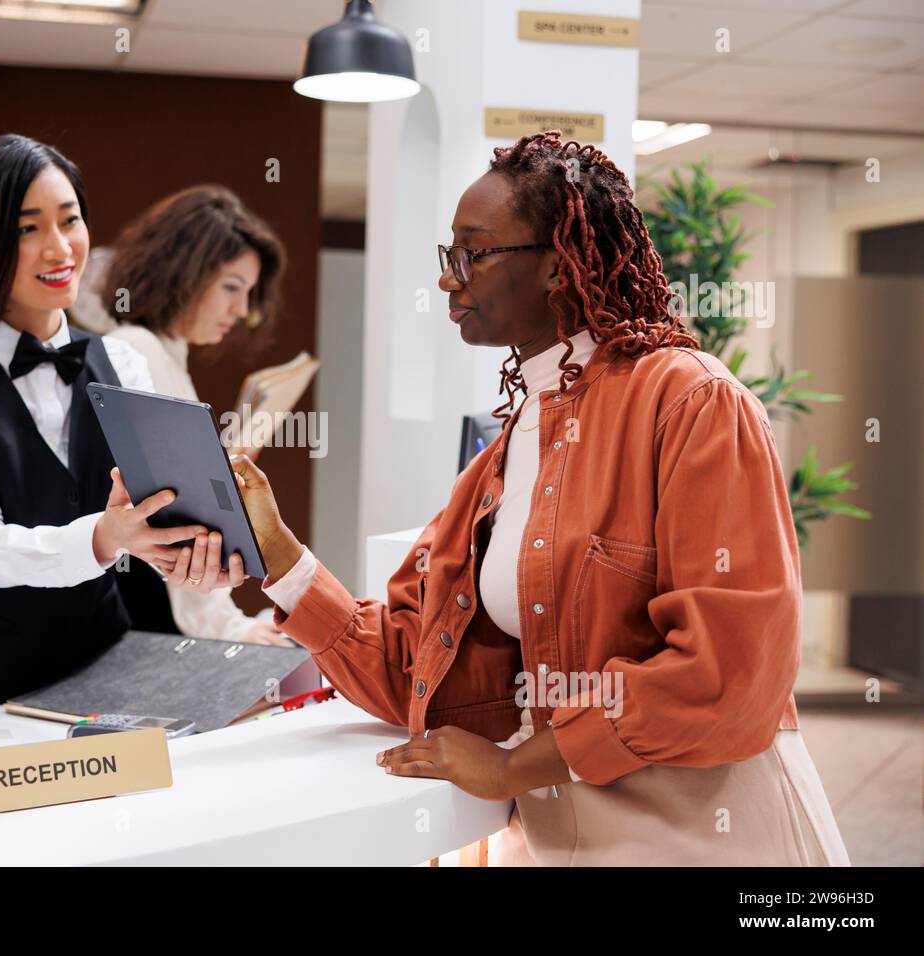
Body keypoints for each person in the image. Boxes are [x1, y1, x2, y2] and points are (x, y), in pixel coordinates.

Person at [193, 131, 849, 866]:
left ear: (559, 266)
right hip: (554, 831)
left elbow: (731, 676)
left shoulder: (693, 402)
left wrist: (513, 767)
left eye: (473, 253)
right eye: (451, 256)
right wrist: (278, 554)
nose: (450, 279)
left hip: (702, 830)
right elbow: (416, 671)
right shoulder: (506, 454)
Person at [0, 134, 234, 716]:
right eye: (28, 229)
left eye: (69, 221)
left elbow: (154, 520)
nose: (60, 248)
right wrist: (106, 536)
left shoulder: (122, 363)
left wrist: (192, 558)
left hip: (100, 677)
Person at [100, 185, 291, 647]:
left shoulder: (162, 355)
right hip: (141, 617)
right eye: (231, 288)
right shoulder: (135, 353)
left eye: (247, 294)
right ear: (183, 272)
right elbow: (169, 521)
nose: (241, 310)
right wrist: (233, 629)